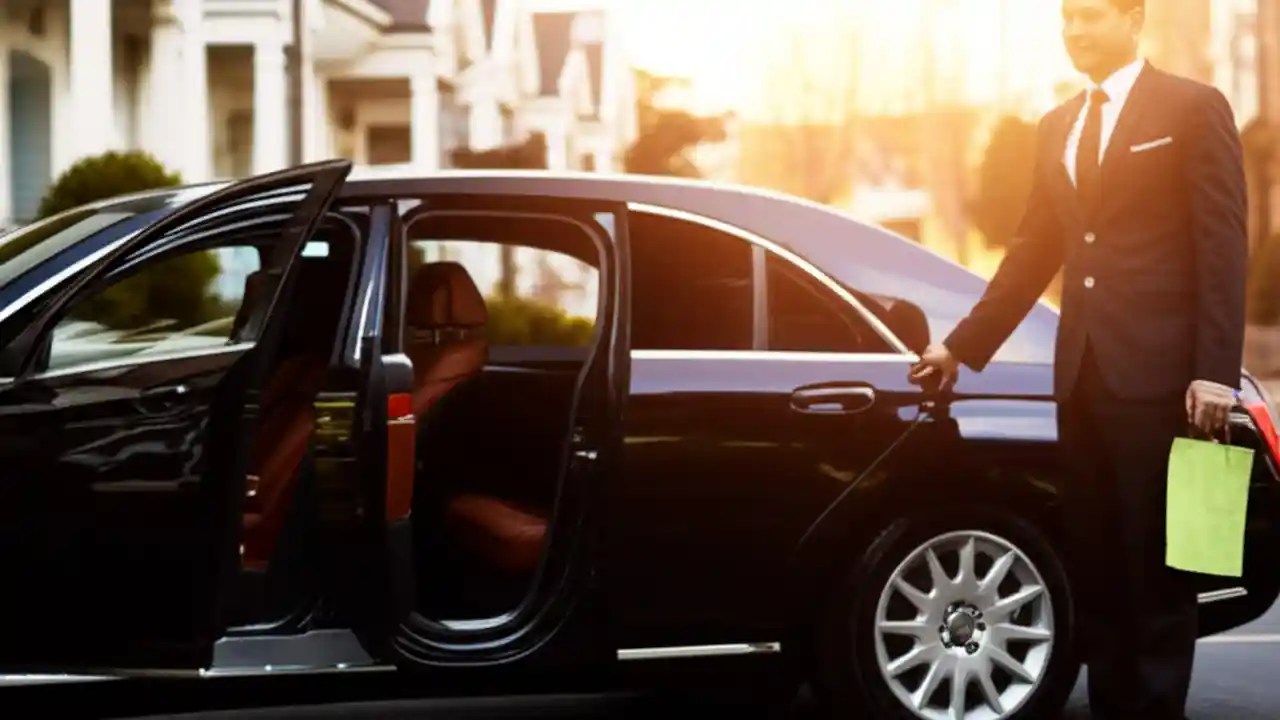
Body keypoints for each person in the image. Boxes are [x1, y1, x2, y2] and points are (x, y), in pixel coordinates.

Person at [909, 0, 1247, 717]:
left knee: (1157, 572)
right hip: (1082, 383)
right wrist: (961, 347)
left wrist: (1215, 370)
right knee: (1098, 569)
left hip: (1163, 386)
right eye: (1065, 20)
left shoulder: (1192, 108)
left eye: (1089, 17)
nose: (1073, 32)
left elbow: (1222, 247)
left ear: (1134, 18)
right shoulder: (1056, 125)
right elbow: (1034, 252)